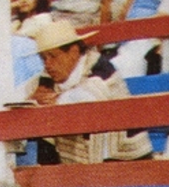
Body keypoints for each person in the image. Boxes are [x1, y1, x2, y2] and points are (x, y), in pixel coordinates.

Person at [29, 20, 153, 164]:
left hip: (129, 161)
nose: (48, 64)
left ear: (74, 51)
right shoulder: (48, 76)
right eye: (43, 58)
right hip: (85, 168)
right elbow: (31, 93)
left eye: (53, 56)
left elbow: (90, 95)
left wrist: (57, 100)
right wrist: (36, 97)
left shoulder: (101, 68)